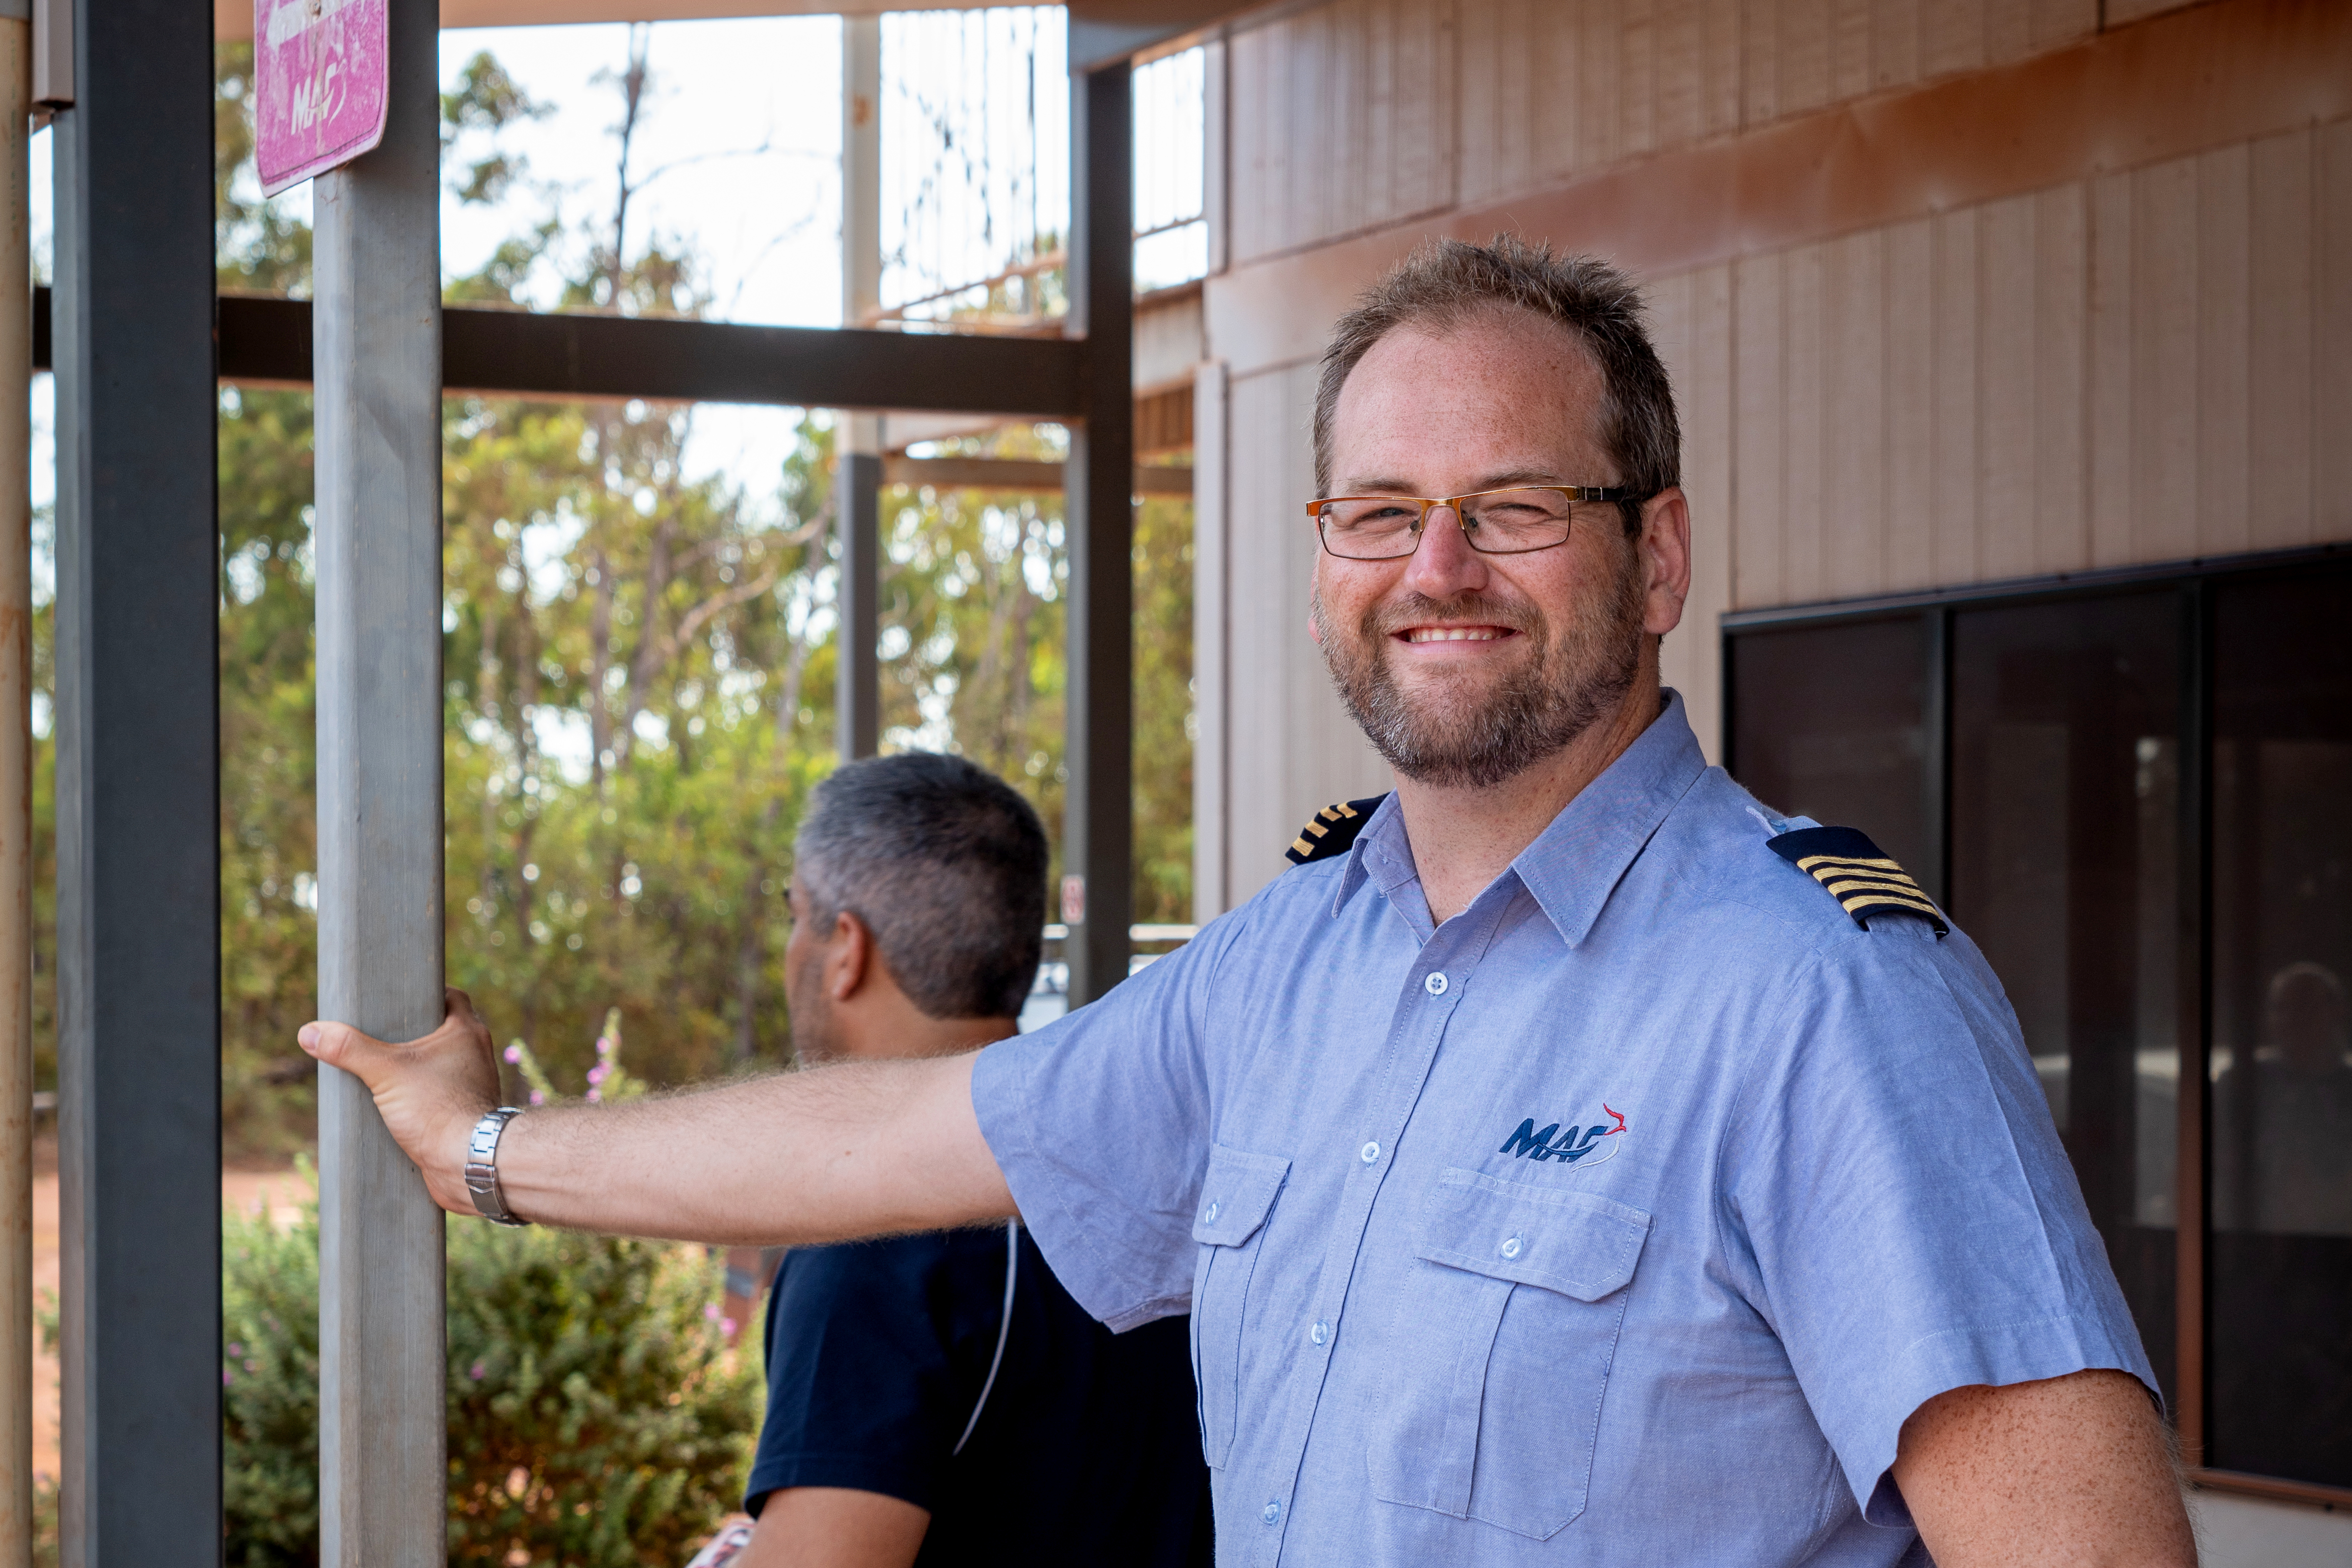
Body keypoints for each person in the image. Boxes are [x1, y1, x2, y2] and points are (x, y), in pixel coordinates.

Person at [306, 238, 2196, 1567]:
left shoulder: (1822, 995)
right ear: (1321, 564)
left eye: (1515, 504)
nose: (1434, 565)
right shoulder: (1288, 968)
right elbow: (894, 1132)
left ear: (1658, 550)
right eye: (1378, 510)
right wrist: (488, 1148)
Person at [704, 755, 1210, 1567]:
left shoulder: (874, 1228)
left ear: (846, 947)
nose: (791, 944)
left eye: (795, 913)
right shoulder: (1159, 1178)